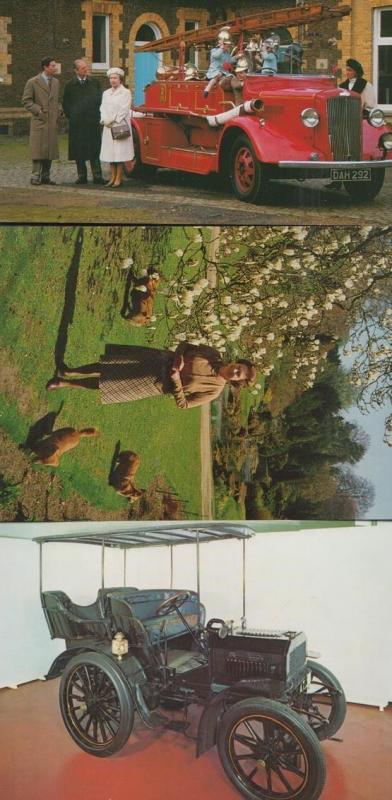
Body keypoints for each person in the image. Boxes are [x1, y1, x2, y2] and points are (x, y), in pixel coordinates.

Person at [45, 342, 257, 409]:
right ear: (236, 362)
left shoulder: (214, 390)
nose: (236, 371)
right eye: (239, 367)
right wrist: (179, 357)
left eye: (239, 375)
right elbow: (185, 345)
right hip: (156, 359)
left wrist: (175, 378)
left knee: (108, 384)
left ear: (236, 381)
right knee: (110, 365)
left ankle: (65, 383)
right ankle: (69, 370)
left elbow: (183, 404)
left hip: (154, 383)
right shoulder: (213, 353)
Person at [327, 58, 376, 190]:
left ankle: (356, 177)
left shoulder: (365, 85)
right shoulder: (342, 86)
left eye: (350, 70)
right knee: (338, 149)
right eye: (347, 70)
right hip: (342, 122)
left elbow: (370, 104)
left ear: (356, 72)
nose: (347, 72)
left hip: (359, 121)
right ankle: (336, 180)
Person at [62, 59, 105, 185]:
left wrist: (97, 116)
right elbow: (66, 104)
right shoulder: (70, 85)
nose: (86, 70)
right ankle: (82, 176)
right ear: (76, 70)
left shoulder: (95, 83)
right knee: (79, 150)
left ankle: (97, 175)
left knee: (94, 150)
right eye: (83, 68)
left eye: (86, 68)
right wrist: (73, 116)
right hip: (77, 124)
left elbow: (100, 101)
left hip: (92, 123)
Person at [21, 57, 61, 185]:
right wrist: (38, 110)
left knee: (49, 150)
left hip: (52, 122)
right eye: (53, 66)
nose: (55, 68)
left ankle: (46, 176)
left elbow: (56, 100)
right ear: (45, 67)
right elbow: (26, 101)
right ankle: (35, 176)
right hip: (39, 121)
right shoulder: (33, 82)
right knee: (38, 151)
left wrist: (59, 111)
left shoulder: (56, 82)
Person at [100, 67, 134, 188]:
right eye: (111, 78)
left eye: (115, 78)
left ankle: (118, 178)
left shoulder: (126, 92)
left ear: (120, 79)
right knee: (110, 153)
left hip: (119, 125)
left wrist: (113, 120)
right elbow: (102, 108)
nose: (113, 80)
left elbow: (124, 109)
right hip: (108, 126)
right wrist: (104, 119)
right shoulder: (106, 93)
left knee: (119, 153)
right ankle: (112, 177)